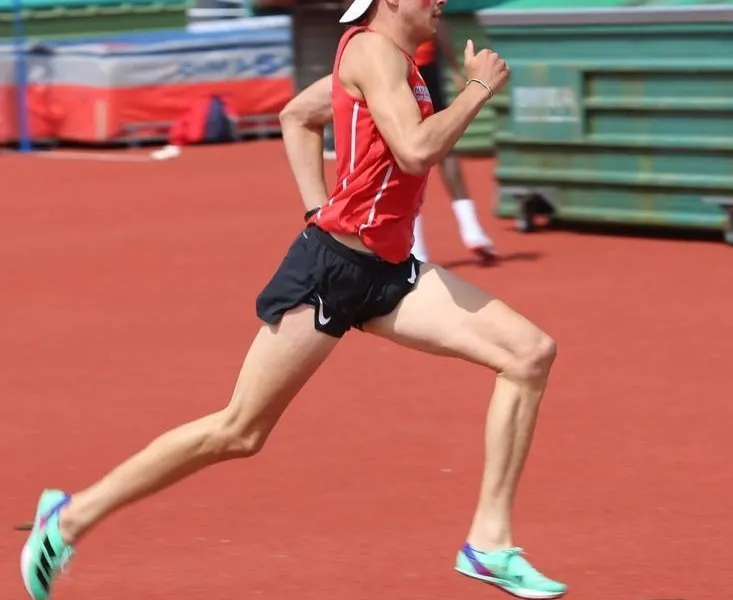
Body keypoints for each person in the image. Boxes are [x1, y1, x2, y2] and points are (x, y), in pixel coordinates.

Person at [20, 1, 566, 600]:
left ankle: (488, 543)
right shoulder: (371, 52)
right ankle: (69, 518)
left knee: (527, 354)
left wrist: (315, 207)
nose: (439, 1)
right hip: (330, 275)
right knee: (238, 431)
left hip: (388, 274)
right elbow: (414, 151)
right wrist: (477, 90)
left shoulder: (393, 62)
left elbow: (297, 115)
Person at [409, 22, 496, 263]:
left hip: (409, 66)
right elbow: (438, 23)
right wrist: (456, 69)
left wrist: (456, 68)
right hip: (415, 66)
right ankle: (472, 231)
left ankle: (419, 248)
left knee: (407, 152)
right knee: (438, 146)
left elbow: (437, 22)